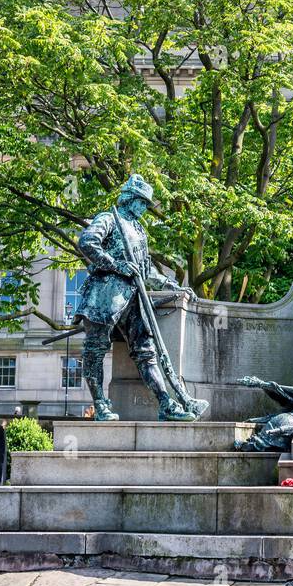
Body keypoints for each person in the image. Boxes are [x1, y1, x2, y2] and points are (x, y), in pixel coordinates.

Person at [73, 174, 207, 422]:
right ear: (131, 199)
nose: (145, 208)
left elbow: (146, 270)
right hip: (103, 299)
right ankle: (101, 405)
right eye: (142, 202)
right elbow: (87, 242)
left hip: (133, 298)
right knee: (95, 352)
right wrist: (115, 265)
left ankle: (166, 404)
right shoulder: (108, 218)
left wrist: (172, 285)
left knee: (147, 352)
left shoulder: (138, 229)